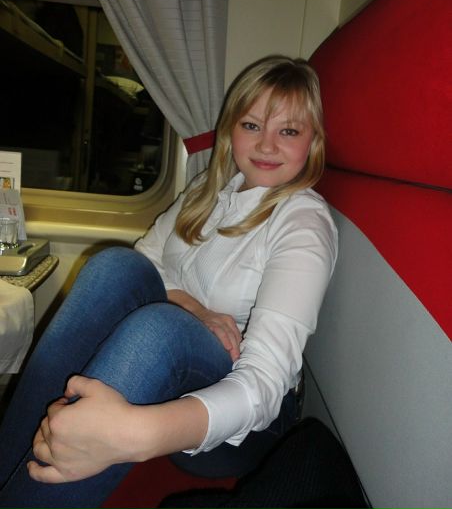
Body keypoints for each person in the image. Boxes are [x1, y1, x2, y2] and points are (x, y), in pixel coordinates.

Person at [0, 55, 338, 508]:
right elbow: (146, 259)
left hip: (247, 419)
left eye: (289, 131)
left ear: (313, 140)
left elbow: (262, 386)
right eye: (252, 125)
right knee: (114, 267)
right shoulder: (207, 191)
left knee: (160, 328)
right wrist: (194, 309)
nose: (266, 144)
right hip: (182, 358)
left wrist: (134, 434)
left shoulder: (302, 222)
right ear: (231, 130)